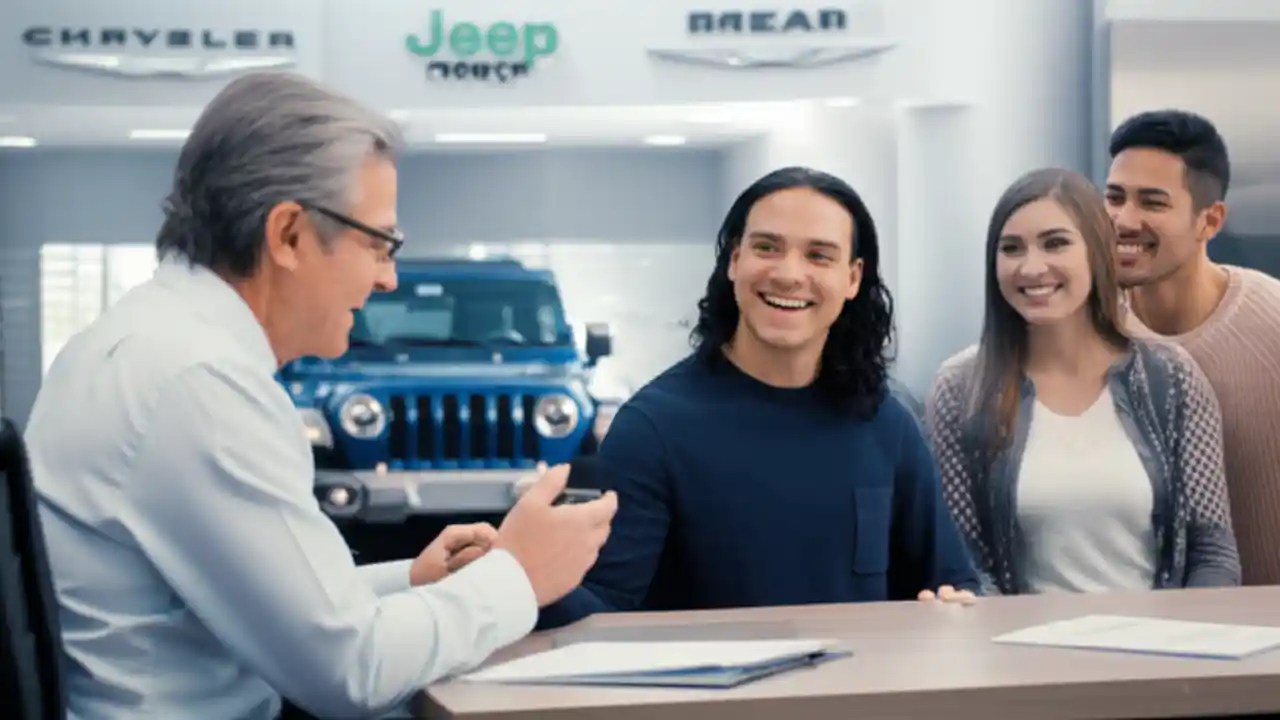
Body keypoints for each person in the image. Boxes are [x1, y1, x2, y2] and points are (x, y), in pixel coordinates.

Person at [24, 71, 617, 720]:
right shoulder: (197, 382)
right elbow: (350, 672)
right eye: (379, 243)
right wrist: (522, 576)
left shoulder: (144, 343)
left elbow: (273, 604)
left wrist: (415, 583)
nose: (388, 278)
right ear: (287, 235)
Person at [537, 166, 979, 630]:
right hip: (712, 702)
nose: (789, 274)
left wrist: (951, 609)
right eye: (767, 247)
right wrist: (516, 582)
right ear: (734, 260)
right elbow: (606, 609)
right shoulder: (653, 428)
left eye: (818, 256)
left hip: (857, 698)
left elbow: (950, 582)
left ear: (853, 279)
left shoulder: (888, 424)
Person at [926, 168, 1239, 595]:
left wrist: (1185, 643)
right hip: (1022, 653)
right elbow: (966, 561)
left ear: (1097, 251)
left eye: (1055, 243)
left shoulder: (1172, 376)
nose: (1032, 267)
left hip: (1163, 652)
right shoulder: (961, 388)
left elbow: (1213, 553)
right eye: (1011, 248)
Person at [1105, 109, 1280, 586]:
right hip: (1141, 637)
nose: (1124, 219)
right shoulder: (1088, 330)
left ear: (1210, 220)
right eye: (1114, 197)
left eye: (1152, 202)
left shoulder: (1271, 321)